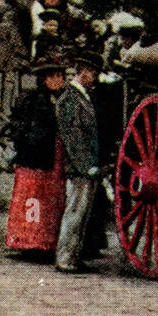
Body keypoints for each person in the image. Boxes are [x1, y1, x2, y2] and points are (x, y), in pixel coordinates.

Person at [4, 58, 67, 254]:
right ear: (43, 79)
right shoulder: (34, 100)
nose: (57, 80)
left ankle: (45, 241)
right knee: (33, 198)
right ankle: (29, 241)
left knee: (48, 199)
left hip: (51, 155)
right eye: (52, 76)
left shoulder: (59, 99)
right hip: (35, 155)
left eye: (60, 76)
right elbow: (27, 128)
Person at [55, 51, 101, 273]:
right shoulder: (70, 99)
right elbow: (72, 138)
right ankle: (65, 258)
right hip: (79, 167)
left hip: (85, 166)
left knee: (81, 214)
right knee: (74, 213)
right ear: (82, 72)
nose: (95, 78)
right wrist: (85, 166)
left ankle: (73, 255)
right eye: (93, 73)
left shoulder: (82, 97)